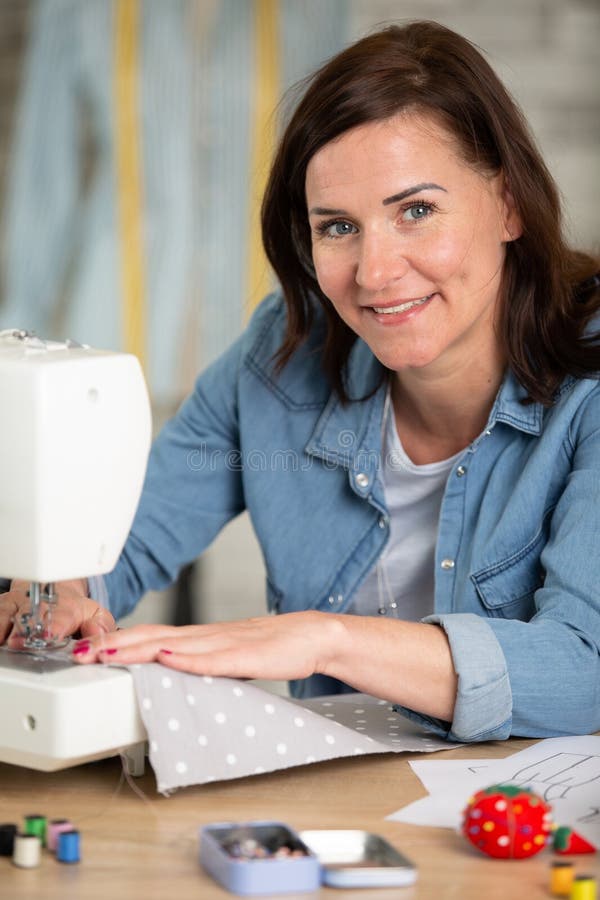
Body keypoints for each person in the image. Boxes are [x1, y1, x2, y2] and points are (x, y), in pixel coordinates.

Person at [2, 21, 599, 743]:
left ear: (507, 204)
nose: (374, 273)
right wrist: (63, 591)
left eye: (417, 211)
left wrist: (323, 640)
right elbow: (126, 536)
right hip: (336, 812)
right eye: (338, 227)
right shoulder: (281, 358)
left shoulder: (587, 393)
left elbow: (583, 669)